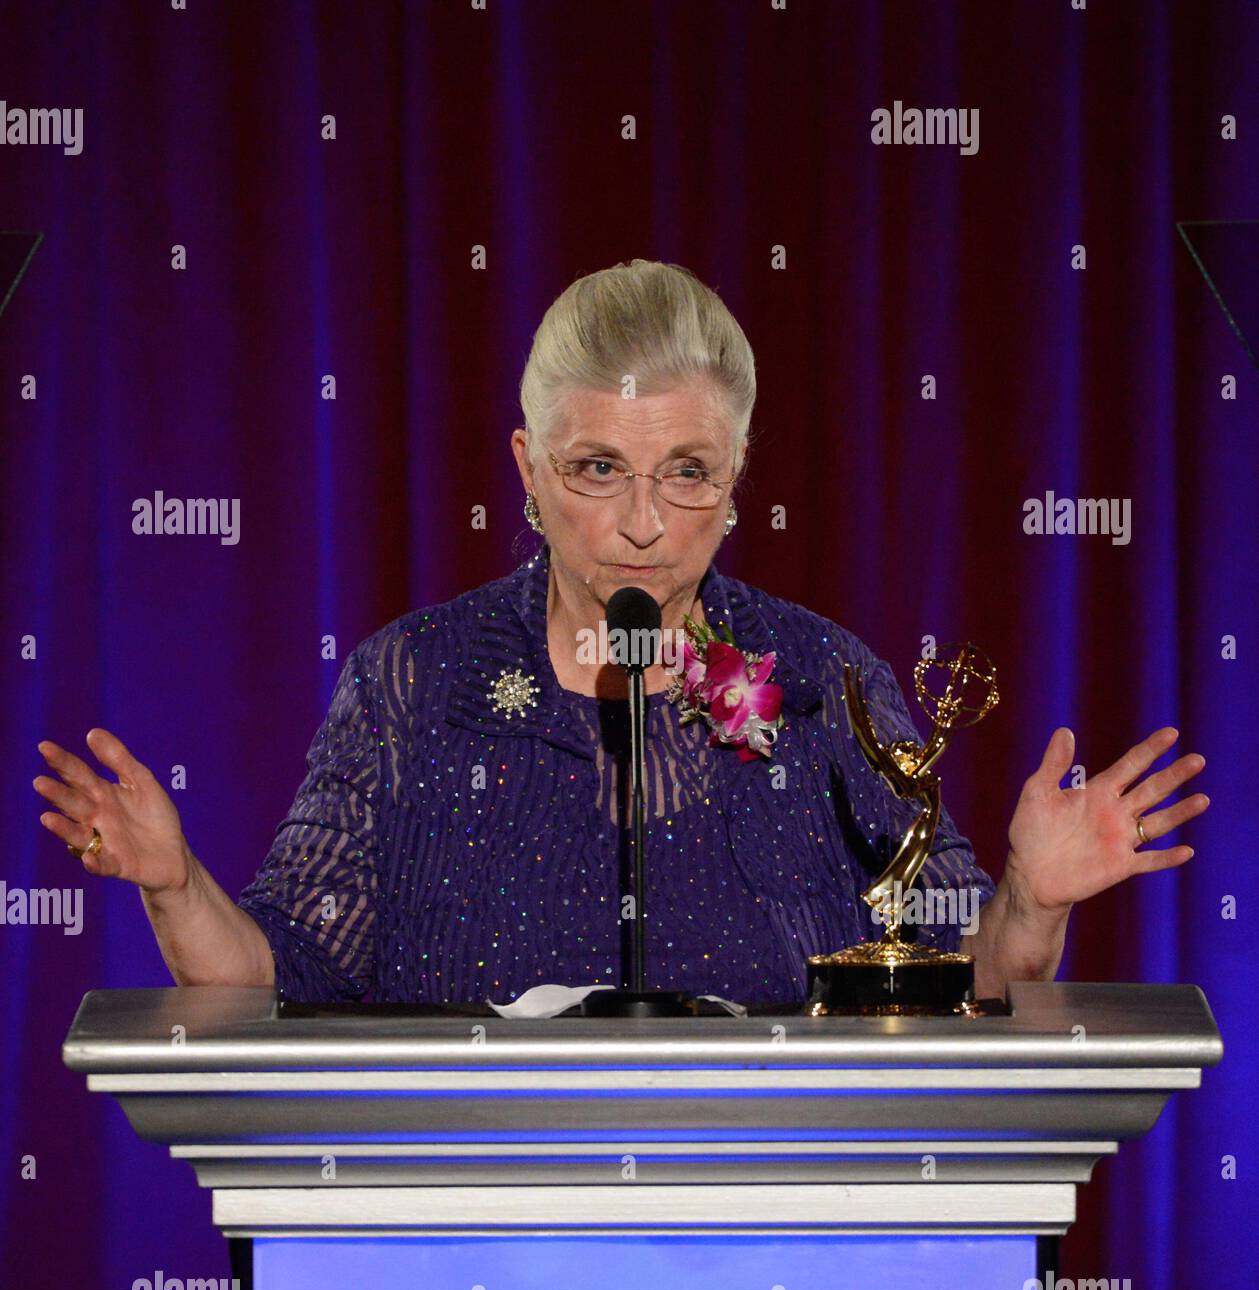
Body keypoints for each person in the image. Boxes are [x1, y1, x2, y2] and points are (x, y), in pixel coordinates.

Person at [33, 260, 1209, 1007]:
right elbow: (276, 973)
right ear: (528, 475)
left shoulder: (818, 678)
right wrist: (175, 882)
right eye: (598, 469)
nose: (644, 524)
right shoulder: (415, 680)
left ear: (738, 477)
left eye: (685, 472)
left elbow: (968, 979)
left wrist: (1032, 898)